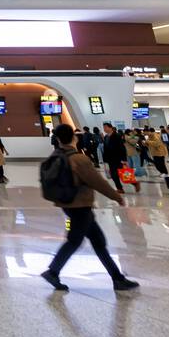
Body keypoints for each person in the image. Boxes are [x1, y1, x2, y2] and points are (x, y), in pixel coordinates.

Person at [42, 123, 138, 292]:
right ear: (74, 137)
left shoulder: (55, 156)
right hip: (80, 206)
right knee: (75, 241)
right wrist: (117, 197)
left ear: (57, 139)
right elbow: (97, 182)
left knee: (98, 241)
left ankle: (117, 278)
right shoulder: (79, 159)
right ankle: (53, 271)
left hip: (67, 204)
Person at [101, 122, 128, 193]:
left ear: (110, 127)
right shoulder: (106, 137)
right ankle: (120, 188)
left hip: (118, 158)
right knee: (113, 175)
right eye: (104, 128)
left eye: (106, 127)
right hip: (110, 159)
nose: (104, 129)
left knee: (123, 174)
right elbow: (105, 149)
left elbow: (122, 148)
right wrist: (105, 159)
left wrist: (124, 159)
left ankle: (135, 183)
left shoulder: (117, 136)